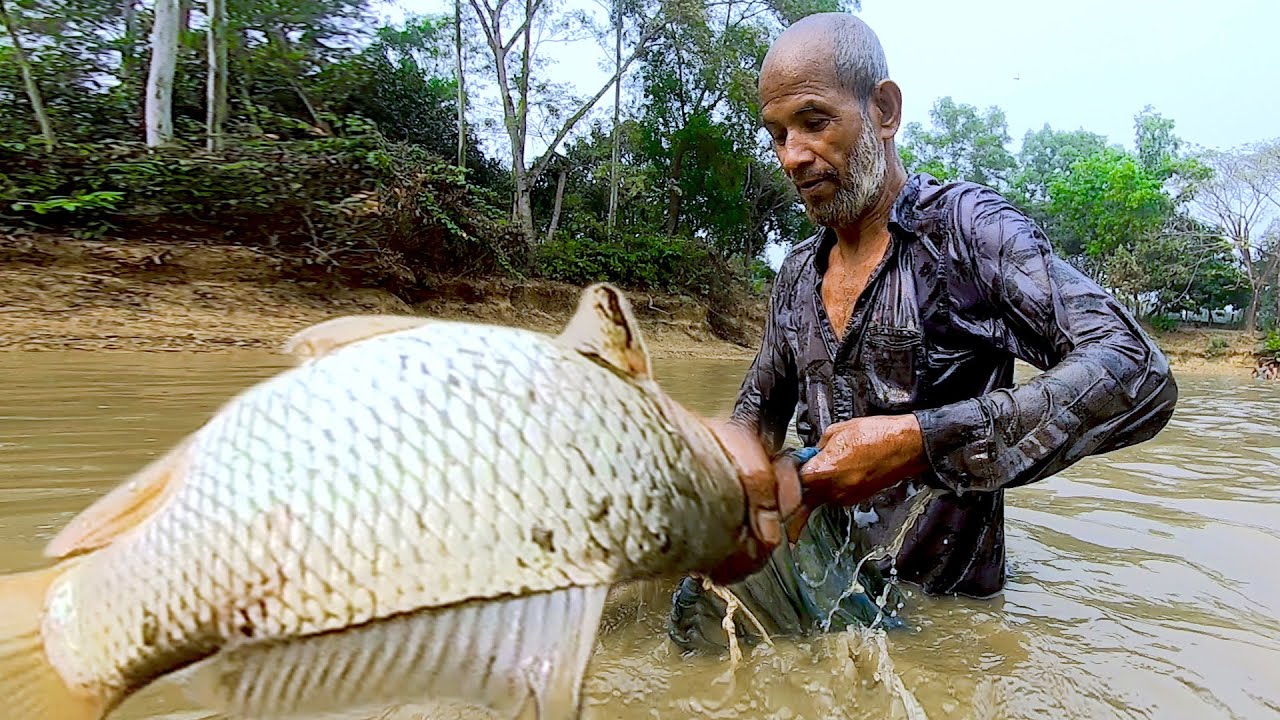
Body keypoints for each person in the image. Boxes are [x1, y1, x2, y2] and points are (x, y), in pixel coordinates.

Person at [676, 12, 1179, 649]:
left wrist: (916, 441)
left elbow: (1137, 369)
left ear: (883, 110)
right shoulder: (799, 274)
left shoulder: (968, 233)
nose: (791, 156)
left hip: (948, 626)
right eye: (776, 134)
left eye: (813, 122)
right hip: (825, 608)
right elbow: (756, 418)